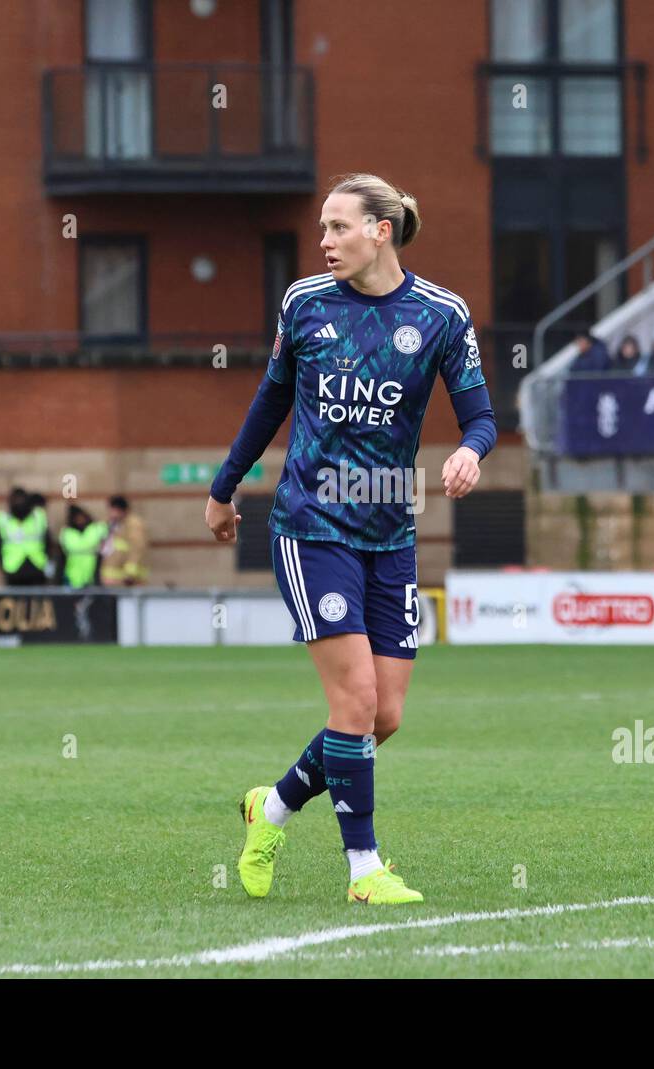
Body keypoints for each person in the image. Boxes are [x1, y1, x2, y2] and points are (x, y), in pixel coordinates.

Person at [206, 172, 496, 905]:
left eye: (339, 227)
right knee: (356, 701)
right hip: (310, 526)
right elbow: (270, 398)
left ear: (381, 231)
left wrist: (470, 451)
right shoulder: (305, 304)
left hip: (389, 531)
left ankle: (269, 807)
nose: (325, 241)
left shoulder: (441, 314)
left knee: (383, 716)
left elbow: (483, 417)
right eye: (323, 229)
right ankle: (364, 868)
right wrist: (224, 486)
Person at [0, 487, 51, 586]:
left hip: (36, 567)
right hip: (13, 568)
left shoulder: (38, 517)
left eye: (21, 499)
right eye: (16, 500)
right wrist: (3, 564)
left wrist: (46, 560)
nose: (19, 503)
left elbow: (48, 542)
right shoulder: (3, 520)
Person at [99, 495, 149, 587]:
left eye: (114, 510)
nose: (112, 513)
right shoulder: (108, 523)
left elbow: (137, 549)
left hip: (128, 579)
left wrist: (130, 573)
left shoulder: (134, 525)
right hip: (110, 578)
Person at [60, 504, 109, 588]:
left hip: (94, 571)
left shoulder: (97, 528)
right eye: (76, 518)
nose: (79, 520)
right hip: (72, 573)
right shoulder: (66, 532)